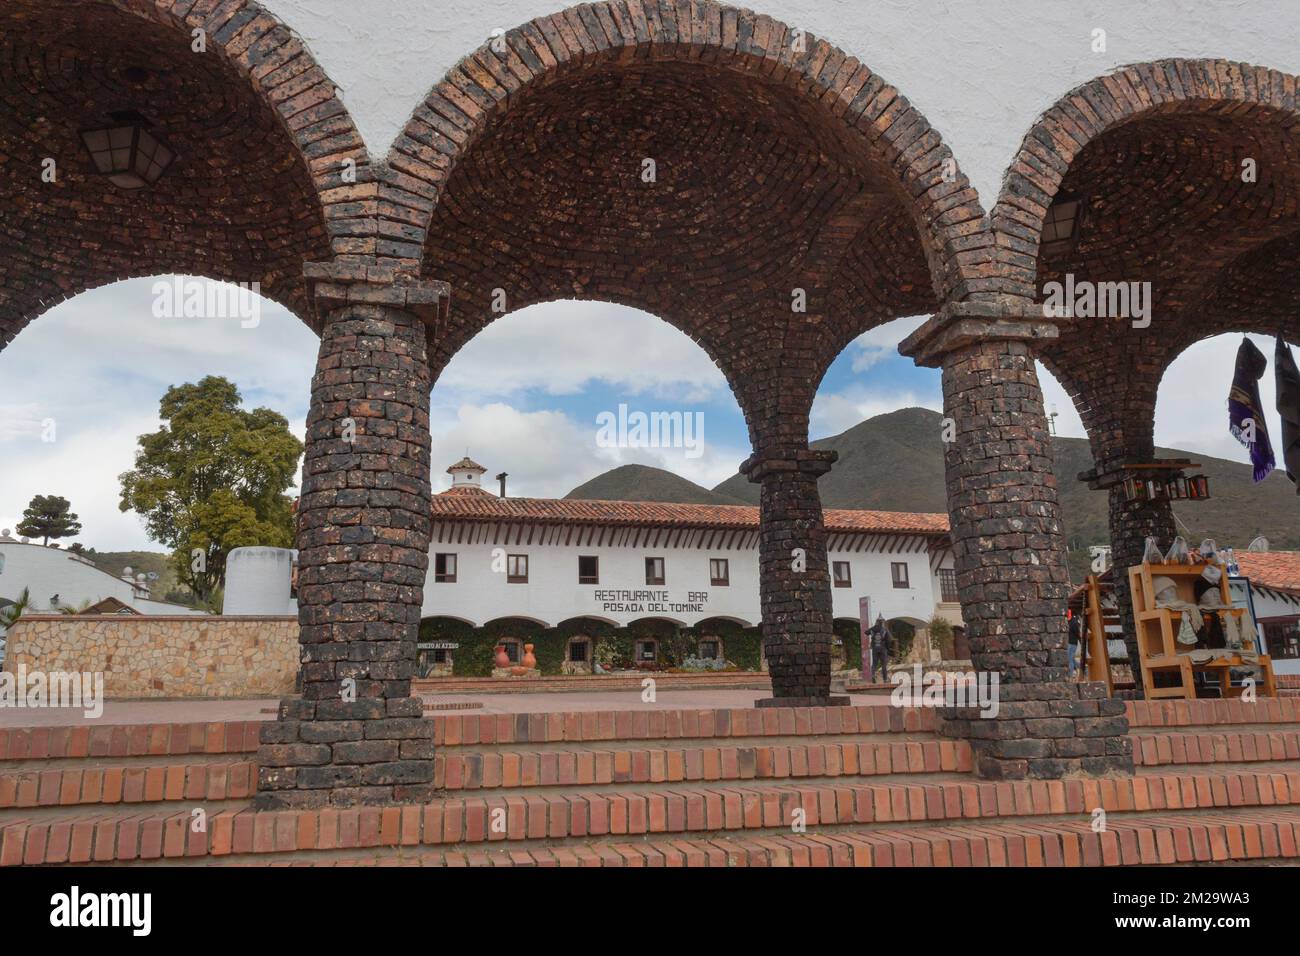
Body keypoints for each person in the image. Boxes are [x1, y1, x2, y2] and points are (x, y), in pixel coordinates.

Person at [870, 615, 891, 683]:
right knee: (883, 664)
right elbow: (888, 640)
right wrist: (888, 648)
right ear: (882, 622)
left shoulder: (873, 629)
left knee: (874, 664)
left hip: (875, 649)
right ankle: (885, 679)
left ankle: (873, 675)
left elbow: (868, 634)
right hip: (883, 649)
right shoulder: (885, 630)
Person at [1067, 612, 1081, 678]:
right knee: (1071, 658)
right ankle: (1082, 667)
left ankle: (1071, 675)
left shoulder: (1074, 622)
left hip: (1072, 643)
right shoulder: (1070, 621)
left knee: (1069, 659)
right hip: (1070, 643)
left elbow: (1077, 633)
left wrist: (1080, 640)